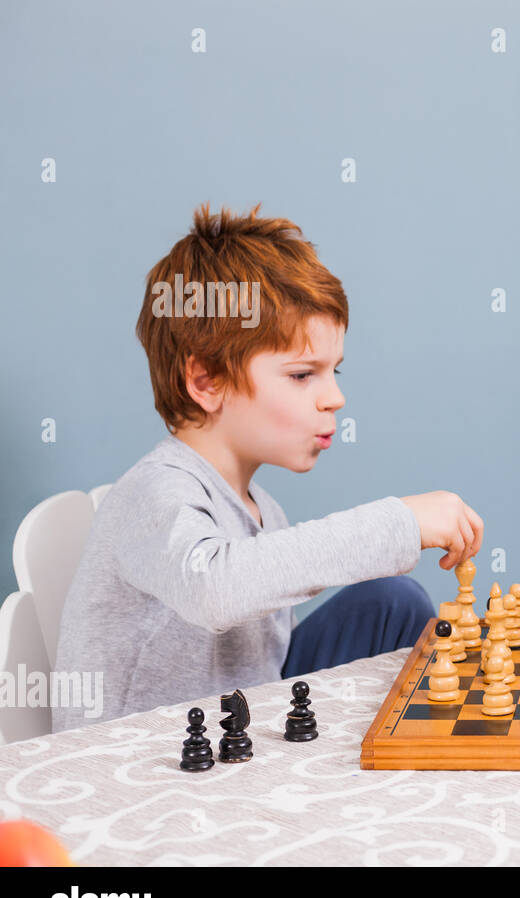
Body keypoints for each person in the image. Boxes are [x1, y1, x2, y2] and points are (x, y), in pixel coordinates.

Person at [53, 204, 482, 730]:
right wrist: (399, 523)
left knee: (392, 604)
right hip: (139, 767)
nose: (336, 398)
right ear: (207, 381)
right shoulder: (153, 491)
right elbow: (214, 588)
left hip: (239, 728)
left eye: (334, 371)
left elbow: (266, 661)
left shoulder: (265, 510)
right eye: (303, 375)